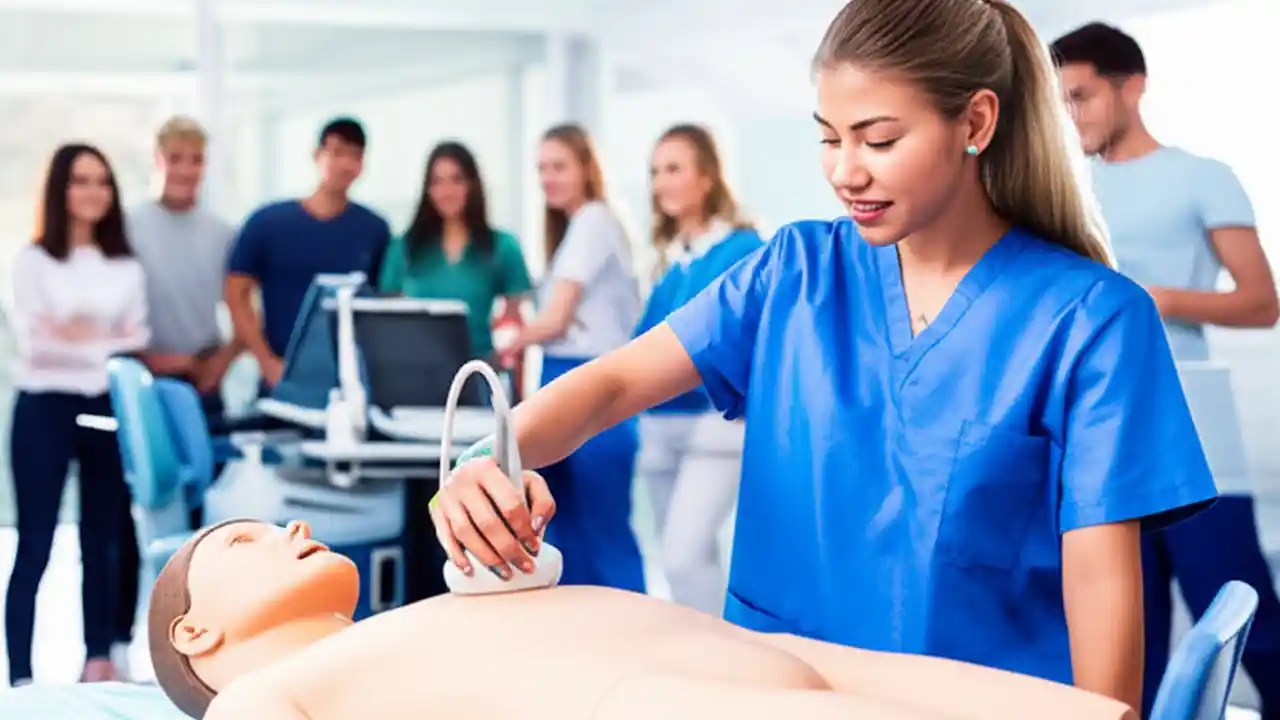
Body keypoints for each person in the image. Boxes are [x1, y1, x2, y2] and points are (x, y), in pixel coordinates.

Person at [430, 0, 1221, 712]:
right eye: (829, 137)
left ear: (976, 122)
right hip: (784, 695)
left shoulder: (1093, 321)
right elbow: (611, 384)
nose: (846, 172)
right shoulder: (795, 273)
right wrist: (488, 456)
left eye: (879, 139)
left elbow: (1101, 596)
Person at [148, 518, 1139, 720]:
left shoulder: (397, 635)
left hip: (753, 654)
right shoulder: (261, 699)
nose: (293, 523)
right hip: (643, 703)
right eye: (242, 544)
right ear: (199, 635)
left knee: (1091, 715)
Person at [1052, 22, 1280, 718]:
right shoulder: (1064, 189)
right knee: (1125, 642)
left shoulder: (1200, 177)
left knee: (1250, 623)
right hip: (1099, 434)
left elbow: (1261, 301)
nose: (1072, 116)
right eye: (1060, 101)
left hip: (1194, 427)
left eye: (1083, 96)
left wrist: (1153, 299)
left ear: (1133, 86)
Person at [5, 143, 150, 686]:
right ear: (59, 189)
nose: (93, 192)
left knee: (103, 536)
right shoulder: (33, 260)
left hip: (104, 406)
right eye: (81, 180)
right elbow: (36, 343)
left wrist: (78, 334)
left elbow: (137, 337)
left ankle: (99, 661)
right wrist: (102, 339)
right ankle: (19, 676)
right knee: (36, 542)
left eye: (102, 182)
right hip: (44, 405)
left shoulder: (125, 265)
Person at [112, 117, 240, 674]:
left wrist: (223, 361)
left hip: (203, 385)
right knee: (142, 517)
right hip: (147, 385)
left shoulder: (220, 232)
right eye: (176, 158)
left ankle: (205, 644)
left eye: (196, 160)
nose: (186, 170)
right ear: (158, 160)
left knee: (208, 518)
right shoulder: (128, 225)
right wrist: (151, 361)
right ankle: (130, 644)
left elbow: (241, 309)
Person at [501, 123, 645, 593]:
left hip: (592, 382)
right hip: (562, 378)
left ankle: (640, 641)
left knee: (601, 529)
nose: (548, 177)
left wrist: (505, 342)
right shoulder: (573, 230)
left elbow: (556, 319)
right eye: (541, 168)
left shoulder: (594, 221)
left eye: (559, 166)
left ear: (587, 168)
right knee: (565, 530)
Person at [634, 124, 761, 614]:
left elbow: (718, 342)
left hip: (716, 427)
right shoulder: (669, 263)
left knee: (685, 557)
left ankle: (721, 658)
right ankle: (698, 660)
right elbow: (643, 344)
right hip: (659, 429)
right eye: (654, 172)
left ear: (707, 176)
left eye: (673, 169)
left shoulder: (743, 249)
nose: (660, 183)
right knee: (674, 562)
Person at [225, 117, 391, 391]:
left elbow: (382, 302)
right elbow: (235, 292)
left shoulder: (374, 230)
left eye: (355, 156)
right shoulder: (268, 223)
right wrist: (266, 362)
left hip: (349, 380)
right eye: (337, 152)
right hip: (281, 374)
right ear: (317, 155)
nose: (344, 164)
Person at [378, 141, 532, 364]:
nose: (446, 191)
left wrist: (501, 360)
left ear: (472, 184)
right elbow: (386, 320)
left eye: (457, 180)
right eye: (437, 182)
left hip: (478, 368)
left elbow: (514, 321)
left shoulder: (503, 246)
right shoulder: (405, 247)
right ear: (427, 189)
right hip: (415, 369)